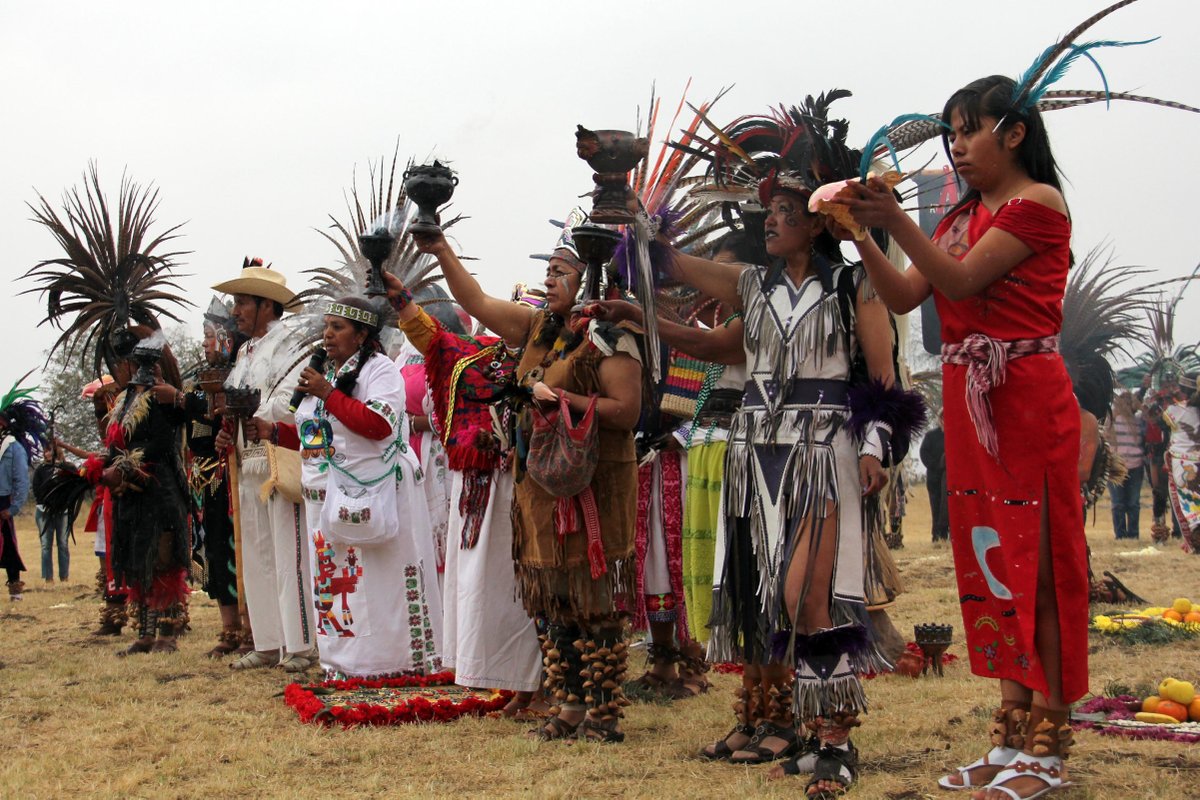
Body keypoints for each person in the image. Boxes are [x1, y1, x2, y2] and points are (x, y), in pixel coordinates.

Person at [641, 96, 915, 797]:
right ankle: (812, 733)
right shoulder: (754, 284)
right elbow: (671, 265)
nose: (770, 220)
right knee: (780, 607)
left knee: (813, 598)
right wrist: (635, 222)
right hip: (754, 454)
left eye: (784, 212)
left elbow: (883, 380)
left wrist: (876, 449)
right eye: (768, 211)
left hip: (823, 454)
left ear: (818, 221)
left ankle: (837, 745)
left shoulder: (855, 286)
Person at [838, 74, 1088, 799]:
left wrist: (898, 217)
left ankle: (1048, 740)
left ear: (1012, 133)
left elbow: (962, 282)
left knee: (1038, 565)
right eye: (951, 133)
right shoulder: (961, 212)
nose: (957, 146)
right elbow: (906, 294)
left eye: (968, 130)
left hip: (1027, 401)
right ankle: (1010, 734)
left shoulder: (1036, 205)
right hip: (975, 404)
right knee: (992, 566)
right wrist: (862, 235)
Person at [392, 213, 643, 744]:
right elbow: (478, 303)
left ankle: (603, 711)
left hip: (593, 483)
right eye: (548, 270)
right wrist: (441, 252)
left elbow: (626, 410)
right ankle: (570, 705)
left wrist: (562, 400)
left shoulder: (612, 336)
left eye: (561, 271)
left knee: (590, 595)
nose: (548, 280)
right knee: (553, 596)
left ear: (590, 281)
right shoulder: (537, 329)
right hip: (539, 485)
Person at [250, 295, 442, 677]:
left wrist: (327, 393)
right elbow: (317, 437)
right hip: (330, 499)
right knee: (339, 583)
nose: (327, 334)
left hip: (384, 493)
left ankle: (397, 663)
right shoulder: (329, 375)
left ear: (361, 334)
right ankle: (346, 664)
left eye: (337, 327)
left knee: (383, 584)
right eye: (326, 327)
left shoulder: (381, 370)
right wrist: (273, 432)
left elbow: (378, 425)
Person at [391, 278, 546, 714]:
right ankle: (518, 684)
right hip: (476, 486)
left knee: (523, 587)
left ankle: (545, 684)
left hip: (527, 487)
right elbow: (433, 341)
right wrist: (403, 303)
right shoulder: (478, 355)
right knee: (487, 588)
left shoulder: (555, 359)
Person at [214, 258, 318, 672]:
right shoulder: (244, 351)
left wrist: (264, 419)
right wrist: (229, 430)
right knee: (255, 554)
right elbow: (237, 400)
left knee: (287, 553)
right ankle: (268, 640)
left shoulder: (292, 342)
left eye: (242, 302)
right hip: (247, 459)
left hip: (278, 455)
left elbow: (295, 397)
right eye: (236, 303)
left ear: (267, 306)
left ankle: (301, 644)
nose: (236, 311)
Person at [98, 328, 191, 654]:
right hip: (132, 493)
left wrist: (125, 466)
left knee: (162, 558)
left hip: (160, 488)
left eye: (120, 363)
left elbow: (162, 444)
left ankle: (166, 632)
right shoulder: (125, 398)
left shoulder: (163, 394)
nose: (117, 370)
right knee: (140, 560)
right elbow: (115, 442)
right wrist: (104, 466)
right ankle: (145, 633)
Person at [182, 298, 244, 657]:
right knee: (213, 551)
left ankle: (245, 629)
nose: (205, 343)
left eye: (209, 336)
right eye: (204, 336)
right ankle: (227, 629)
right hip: (204, 479)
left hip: (228, 476)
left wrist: (181, 399)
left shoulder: (236, 378)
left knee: (232, 549)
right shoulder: (201, 381)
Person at [0, 379, 47, 601]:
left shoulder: (13, 447)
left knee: (8, 546)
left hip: (3, 502)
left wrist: (14, 507)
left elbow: (21, 481)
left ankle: (15, 591)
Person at [1107, 391, 1145, 540]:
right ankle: (1122, 534)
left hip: (1135, 465)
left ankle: (1132, 534)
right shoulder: (1112, 421)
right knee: (1120, 503)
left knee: (1131, 503)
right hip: (1117, 465)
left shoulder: (1139, 420)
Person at [33, 445, 72, 583]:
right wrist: (45, 502)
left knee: (62, 543)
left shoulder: (65, 468)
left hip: (62, 511)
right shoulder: (41, 469)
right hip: (44, 511)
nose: (47, 453)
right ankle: (48, 578)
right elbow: (36, 489)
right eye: (45, 451)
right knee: (46, 545)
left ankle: (64, 577)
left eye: (49, 450)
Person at [919, 416, 950, 542]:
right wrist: (936, 465)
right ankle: (936, 536)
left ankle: (947, 535)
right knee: (936, 508)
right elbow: (924, 453)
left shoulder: (954, 434)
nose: (944, 420)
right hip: (934, 479)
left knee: (948, 508)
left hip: (950, 480)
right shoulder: (931, 436)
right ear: (939, 420)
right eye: (942, 418)